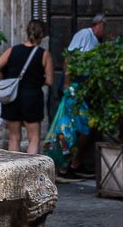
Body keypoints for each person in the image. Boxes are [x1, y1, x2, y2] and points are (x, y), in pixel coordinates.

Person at [44, 14, 106, 178]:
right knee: (73, 128)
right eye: (105, 27)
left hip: (85, 89)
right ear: (99, 24)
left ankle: (75, 163)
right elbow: (69, 57)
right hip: (75, 88)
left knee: (84, 127)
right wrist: (67, 82)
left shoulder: (97, 41)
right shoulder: (85, 35)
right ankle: (66, 166)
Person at [0, 19, 53, 155]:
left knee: (14, 137)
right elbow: (50, 81)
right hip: (33, 98)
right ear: (43, 35)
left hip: (13, 97)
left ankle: (15, 172)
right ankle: (31, 172)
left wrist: (7, 78)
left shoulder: (13, 50)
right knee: (34, 138)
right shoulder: (44, 54)